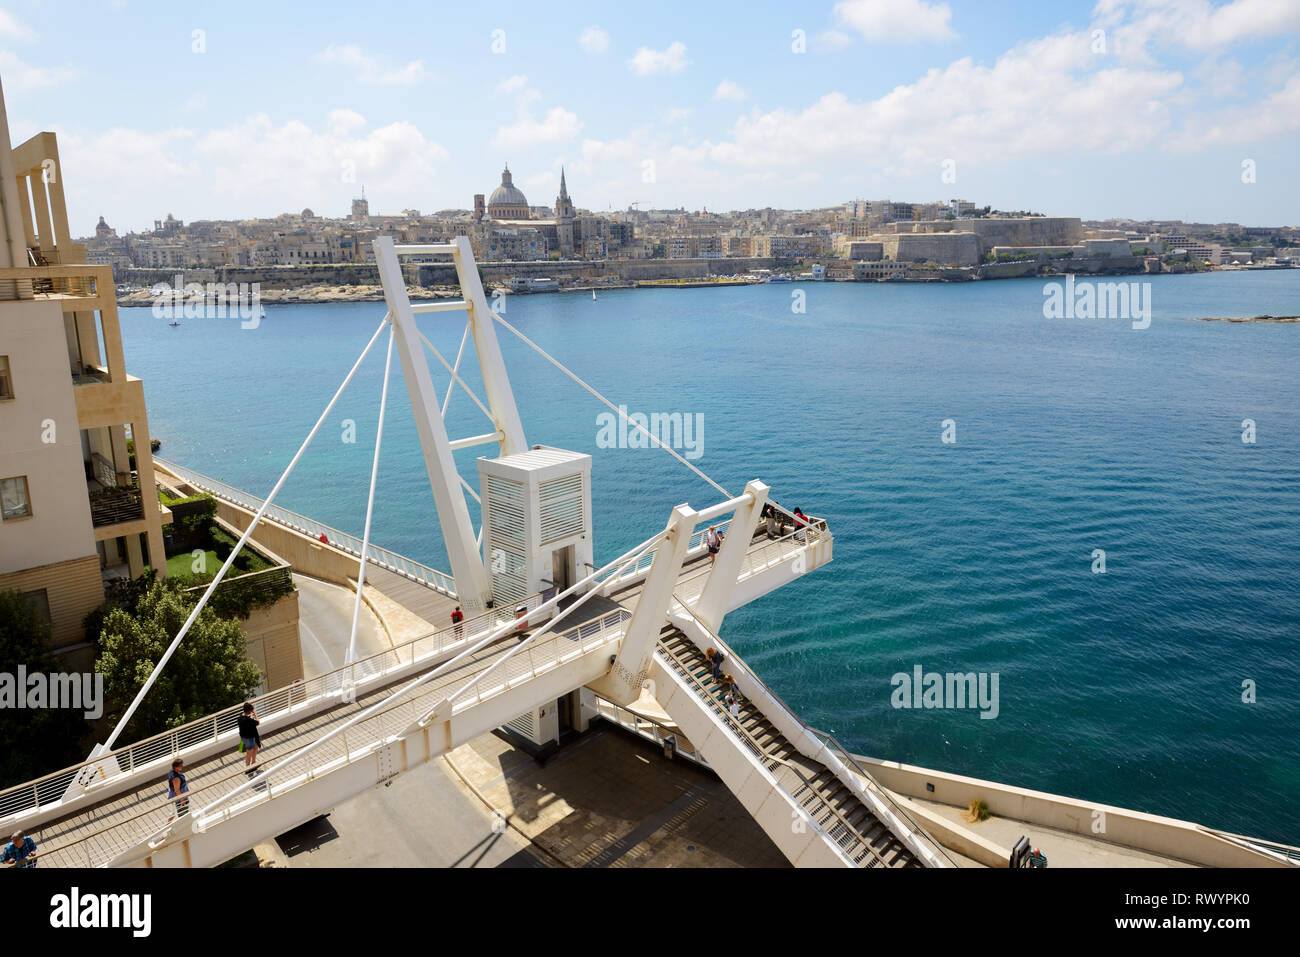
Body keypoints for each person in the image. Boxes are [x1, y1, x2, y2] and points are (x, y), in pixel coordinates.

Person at [238, 701, 261, 771]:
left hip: (244, 737)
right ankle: (248, 768)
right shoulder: (248, 720)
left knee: (256, 747)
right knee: (249, 753)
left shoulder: (240, 717)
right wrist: (255, 714)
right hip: (249, 738)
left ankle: (253, 763)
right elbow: (258, 722)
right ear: (250, 711)